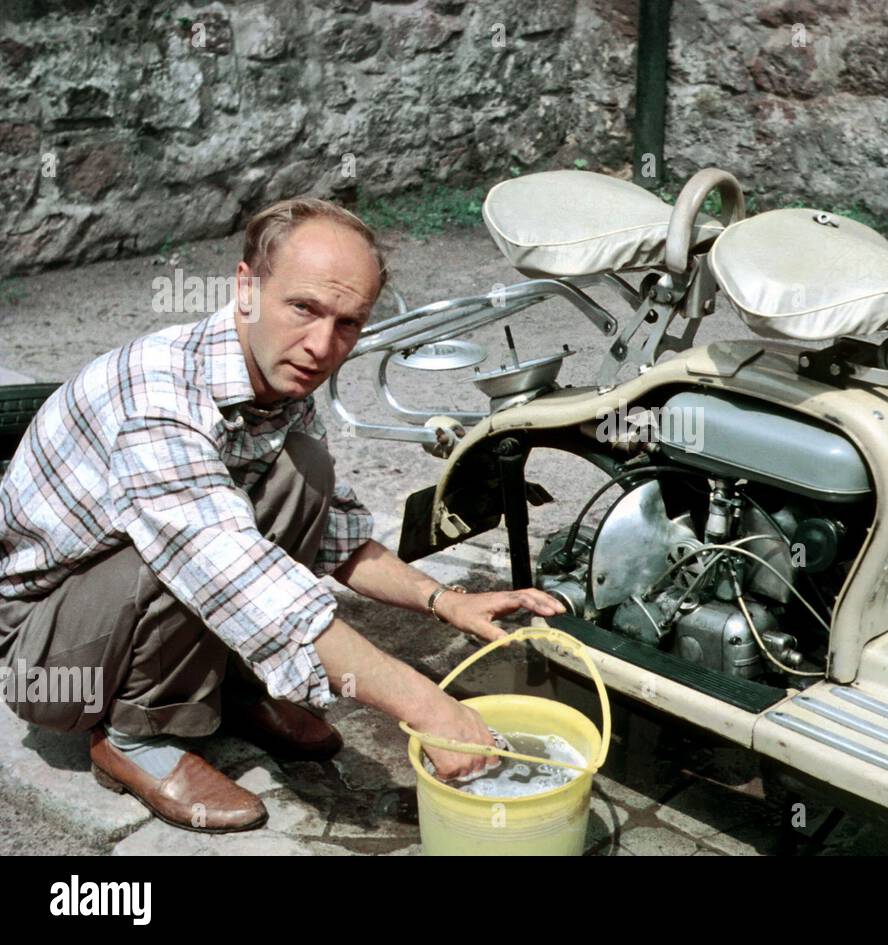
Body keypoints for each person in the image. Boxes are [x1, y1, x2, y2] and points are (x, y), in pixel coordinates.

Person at [0, 198, 564, 833]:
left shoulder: (272, 379)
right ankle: (138, 736)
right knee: (179, 550)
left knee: (305, 472)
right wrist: (427, 707)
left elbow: (333, 532)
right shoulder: (159, 397)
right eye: (304, 308)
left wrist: (445, 601)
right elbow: (235, 575)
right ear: (246, 288)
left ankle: (231, 690)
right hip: (52, 662)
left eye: (348, 323)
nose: (322, 346)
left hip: (128, 603)